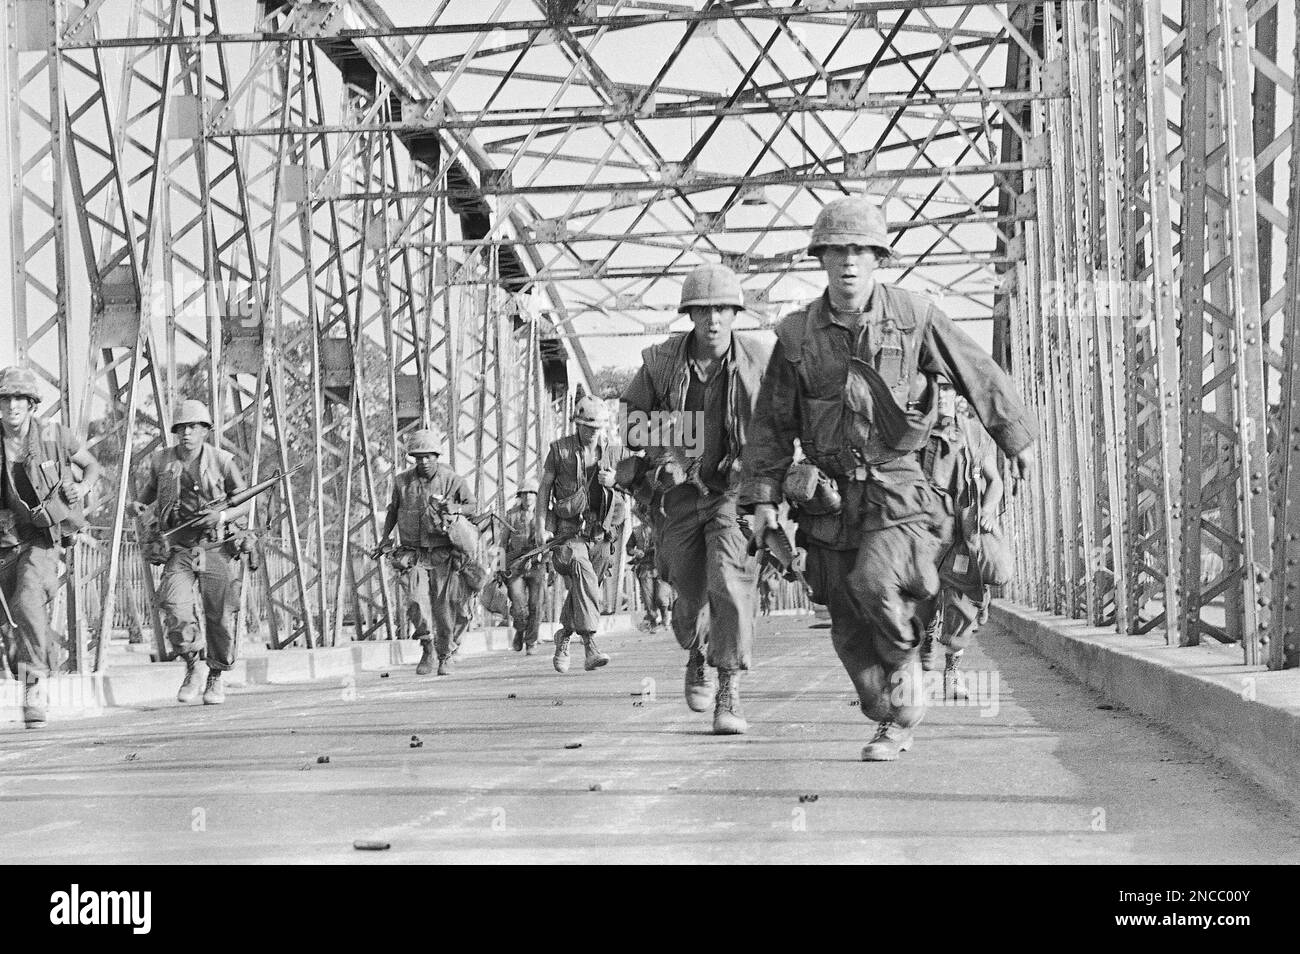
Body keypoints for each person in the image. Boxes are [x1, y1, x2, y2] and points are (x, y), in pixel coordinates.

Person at [740, 197, 1036, 760]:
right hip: (827, 496)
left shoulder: (915, 315)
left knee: (874, 583)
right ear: (820, 258)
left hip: (899, 486)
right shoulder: (796, 334)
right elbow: (772, 424)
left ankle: (905, 692)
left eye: (860, 251)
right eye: (836, 251)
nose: (848, 262)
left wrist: (1015, 437)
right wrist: (763, 499)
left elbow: (977, 370)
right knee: (844, 618)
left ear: (878, 257)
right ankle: (886, 703)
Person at [621, 263, 770, 734]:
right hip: (679, 499)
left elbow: (780, 425)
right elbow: (631, 421)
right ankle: (696, 652)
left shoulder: (758, 363)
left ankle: (728, 686)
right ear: (690, 314)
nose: (714, 319)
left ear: (735, 313)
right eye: (704, 310)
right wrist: (669, 452)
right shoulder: (662, 364)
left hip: (731, 495)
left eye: (723, 309)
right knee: (687, 597)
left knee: (728, 582)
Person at [0, 366, 101, 728]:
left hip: (42, 539)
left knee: (27, 599)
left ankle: (33, 687)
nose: (12, 406)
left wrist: (82, 489)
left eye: (19, 399)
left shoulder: (54, 435)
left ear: (31, 404)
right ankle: (36, 668)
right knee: (12, 626)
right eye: (6, 399)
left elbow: (91, 466)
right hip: (4, 542)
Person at [137, 400, 248, 707]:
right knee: (174, 605)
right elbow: (147, 494)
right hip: (180, 548)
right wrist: (140, 506)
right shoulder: (162, 460)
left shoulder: (223, 461)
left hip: (215, 546)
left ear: (205, 431)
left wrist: (223, 517)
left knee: (220, 614)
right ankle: (191, 666)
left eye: (193, 427)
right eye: (182, 427)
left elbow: (245, 502)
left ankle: (216, 675)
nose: (186, 433)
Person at [920, 389, 1004, 700]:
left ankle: (952, 672)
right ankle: (927, 634)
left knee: (965, 602)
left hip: (966, 534)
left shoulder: (974, 437)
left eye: (947, 392)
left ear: (957, 400)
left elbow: (995, 482)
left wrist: (991, 512)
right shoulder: (918, 435)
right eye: (935, 392)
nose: (941, 398)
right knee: (925, 595)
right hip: (929, 532)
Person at [374, 428, 478, 677]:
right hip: (415, 555)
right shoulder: (402, 482)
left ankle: (445, 656)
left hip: (443, 555)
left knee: (444, 610)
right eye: (417, 457)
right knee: (415, 601)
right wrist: (385, 537)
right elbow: (393, 511)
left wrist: (452, 507)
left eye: (428, 456)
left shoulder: (452, 480)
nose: (423, 461)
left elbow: (472, 507)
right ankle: (428, 647)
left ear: (437, 456)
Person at [537, 395, 623, 674]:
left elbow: (629, 490)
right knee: (582, 573)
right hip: (567, 534)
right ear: (577, 424)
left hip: (600, 534)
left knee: (585, 588)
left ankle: (563, 636)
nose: (591, 432)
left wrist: (614, 480)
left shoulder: (613, 451)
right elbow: (544, 489)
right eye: (586, 426)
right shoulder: (559, 450)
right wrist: (540, 525)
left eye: (596, 428)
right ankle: (590, 645)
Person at [503, 483, 546, 655]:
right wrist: (500, 567)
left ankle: (531, 641)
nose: (528, 496)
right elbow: (502, 541)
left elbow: (551, 540)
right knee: (519, 606)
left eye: (531, 493)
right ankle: (520, 630)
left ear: (536, 496)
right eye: (525, 493)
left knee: (536, 605)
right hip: (516, 566)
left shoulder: (543, 514)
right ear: (520, 496)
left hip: (537, 565)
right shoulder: (511, 515)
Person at [626, 503, 673, 632]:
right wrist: (636, 552)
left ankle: (665, 618)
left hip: (661, 567)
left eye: (649, 514)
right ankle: (652, 620)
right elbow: (628, 548)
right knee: (648, 598)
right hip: (645, 568)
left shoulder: (661, 529)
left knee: (661, 596)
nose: (646, 517)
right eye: (644, 515)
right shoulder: (636, 531)